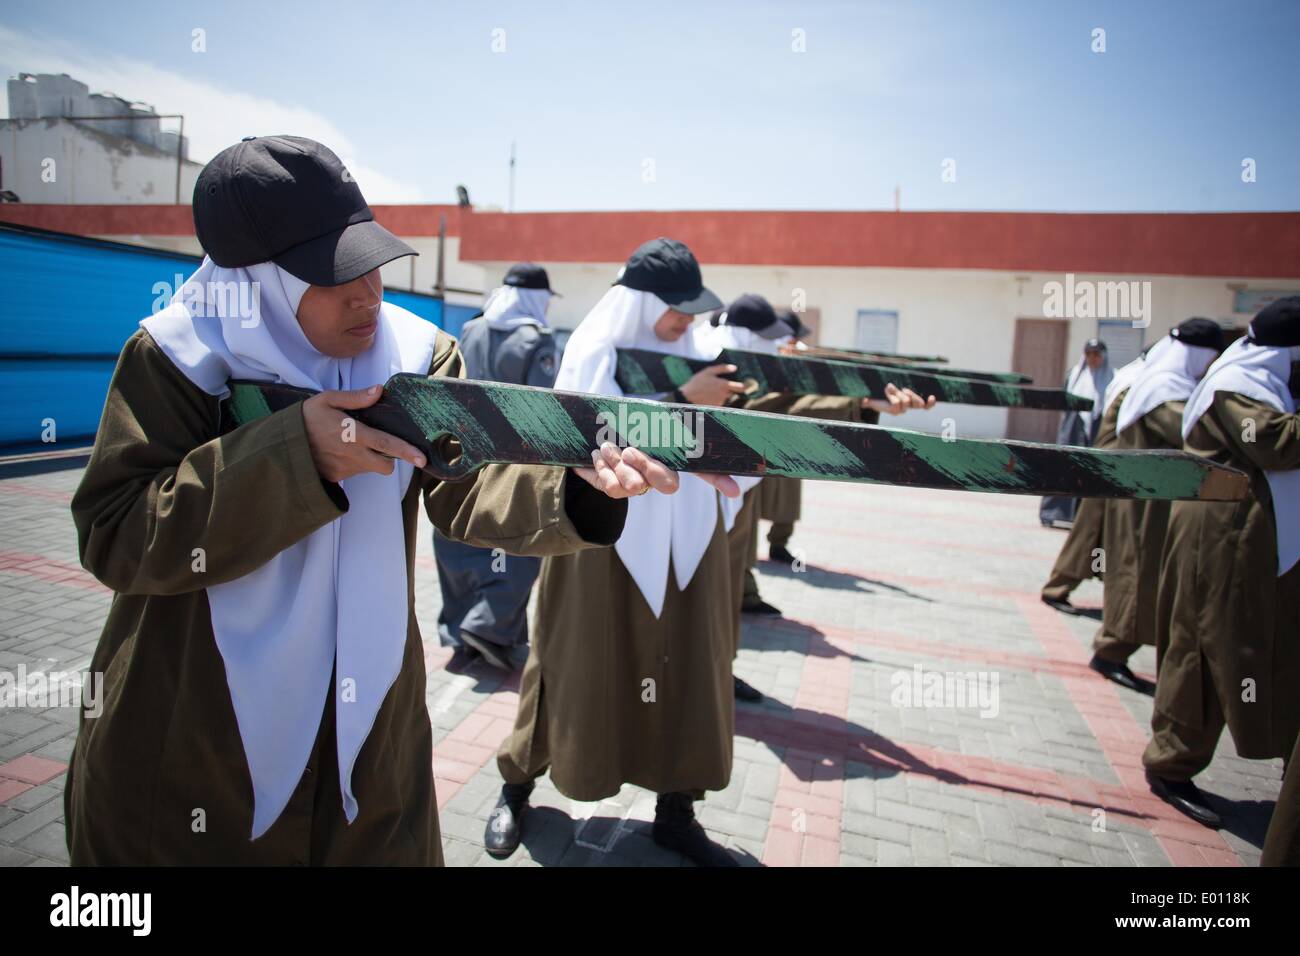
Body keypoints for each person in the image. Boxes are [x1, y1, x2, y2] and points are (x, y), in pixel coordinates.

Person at [64, 136, 682, 865]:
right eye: (331, 275)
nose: (369, 293)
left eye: (370, 264)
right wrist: (296, 457)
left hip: (371, 735)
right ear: (257, 277)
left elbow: (468, 485)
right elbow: (115, 534)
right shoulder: (177, 358)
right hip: (194, 732)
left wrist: (572, 487)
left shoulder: (416, 356)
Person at [488, 237, 755, 867]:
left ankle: (676, 811)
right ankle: (515, 786)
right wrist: (683, 403)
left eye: (693, 308)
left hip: (689, 540)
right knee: (566, 658)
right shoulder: (593, 349)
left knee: (691, 666)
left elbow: (745, 442)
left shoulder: (707, 358)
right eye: (674, 308)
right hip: (598, 537)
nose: (685, 321)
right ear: (638, 304)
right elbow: (585, 437)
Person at [701, 296, 932, 701]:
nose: (776, 346)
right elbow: (778, 405)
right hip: (699, 505)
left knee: (725, 590)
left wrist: (864, 401)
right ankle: (707, 675)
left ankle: (719, 670)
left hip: (732, 497)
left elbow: (790, 402)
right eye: (766, 338)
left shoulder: (753, 369)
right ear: (741, 335)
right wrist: (859, 402)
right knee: (707, 597)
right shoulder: (714, 368)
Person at [1142, 297, 1299, 829]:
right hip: (1220, 536)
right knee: (1203, 645)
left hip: (1251, 540)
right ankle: (1172, 761)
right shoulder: (1237, 387)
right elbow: (1274, 443)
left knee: (1258, 644)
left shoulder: (1258, 384)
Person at [432, 263, 561, 671]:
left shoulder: (470, 329)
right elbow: (543, 406)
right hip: (512, 458)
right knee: (517, 547)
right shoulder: (535, 339)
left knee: (459, 544)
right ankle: (489, 627)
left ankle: (462, 631)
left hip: (463, 451)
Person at [1089, 319, 1225, 693]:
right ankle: (1111, 651)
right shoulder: (1164, 389)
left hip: (1150, 500)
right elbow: (1194, 432)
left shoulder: (1165, 383)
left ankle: (1116, 646)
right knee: (1136, 573)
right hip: (1142, 505)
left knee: (1140, 572)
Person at [1040, 349, 1147, 613]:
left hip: (1114, 463)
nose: (1093, 359)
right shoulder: (1144, 382)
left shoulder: (1122, 377)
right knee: (1096, 534)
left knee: (1096, 535)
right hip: (1111, 466)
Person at [1039, 339, 1112, 527]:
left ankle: (1084, 518)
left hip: (1097, 429)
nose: (1092, 359)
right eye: (1089, 354)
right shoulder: (1074, 376)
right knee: (1063, 466)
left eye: (1096, 354)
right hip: (1073, 428)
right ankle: (1052, 512)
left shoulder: (1112, 378)